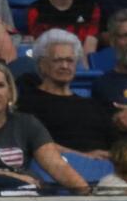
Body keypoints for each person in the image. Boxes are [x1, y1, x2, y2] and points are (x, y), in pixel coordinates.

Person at [0, 60, 90, 192]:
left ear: (10, 91)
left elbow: (58, 166)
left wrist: (86, 193)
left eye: (0, 85)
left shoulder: (27, 123)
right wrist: (13, 177)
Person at [18, 29, 110, 160]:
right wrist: (85, 157)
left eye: (70, 60)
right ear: (41, 64)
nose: (65, 66)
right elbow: (34, 142)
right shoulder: (28, 103)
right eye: (57, 60)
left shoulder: (91, 105)